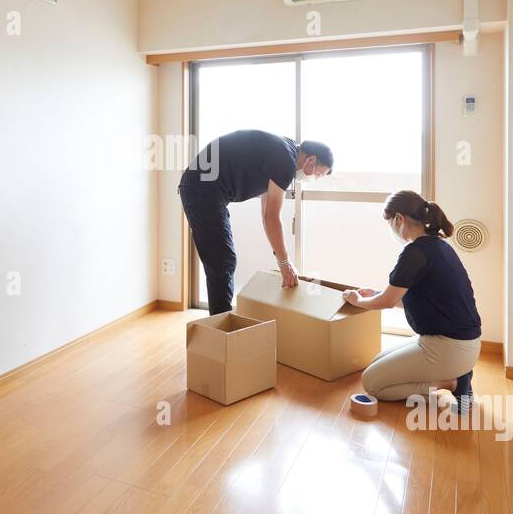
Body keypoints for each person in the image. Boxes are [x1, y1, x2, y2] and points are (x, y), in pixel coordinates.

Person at [343, 190, 481, 411]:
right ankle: (455, 373)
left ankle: (453, 382)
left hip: (448, 347)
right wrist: (376, 294)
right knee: (377, 361)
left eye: (389, 223)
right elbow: (407, 298)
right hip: (457, 343)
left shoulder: (414, 252)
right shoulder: (437, 245)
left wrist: (357, 300)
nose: (391, 230)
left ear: (399, 219)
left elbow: (387, 302)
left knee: (372, 383)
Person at [178, 130, 333, 314]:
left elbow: (266, 214)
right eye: (318, 175)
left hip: (205, 190)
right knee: (222, 261)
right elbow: (272, 217)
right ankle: (221, 330)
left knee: (221, 260)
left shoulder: (284, 151)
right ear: (311, 161)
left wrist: (281, 259)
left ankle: (221, 324)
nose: (313, 179)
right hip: (202, 190)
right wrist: (285, 264)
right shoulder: (285, 160)